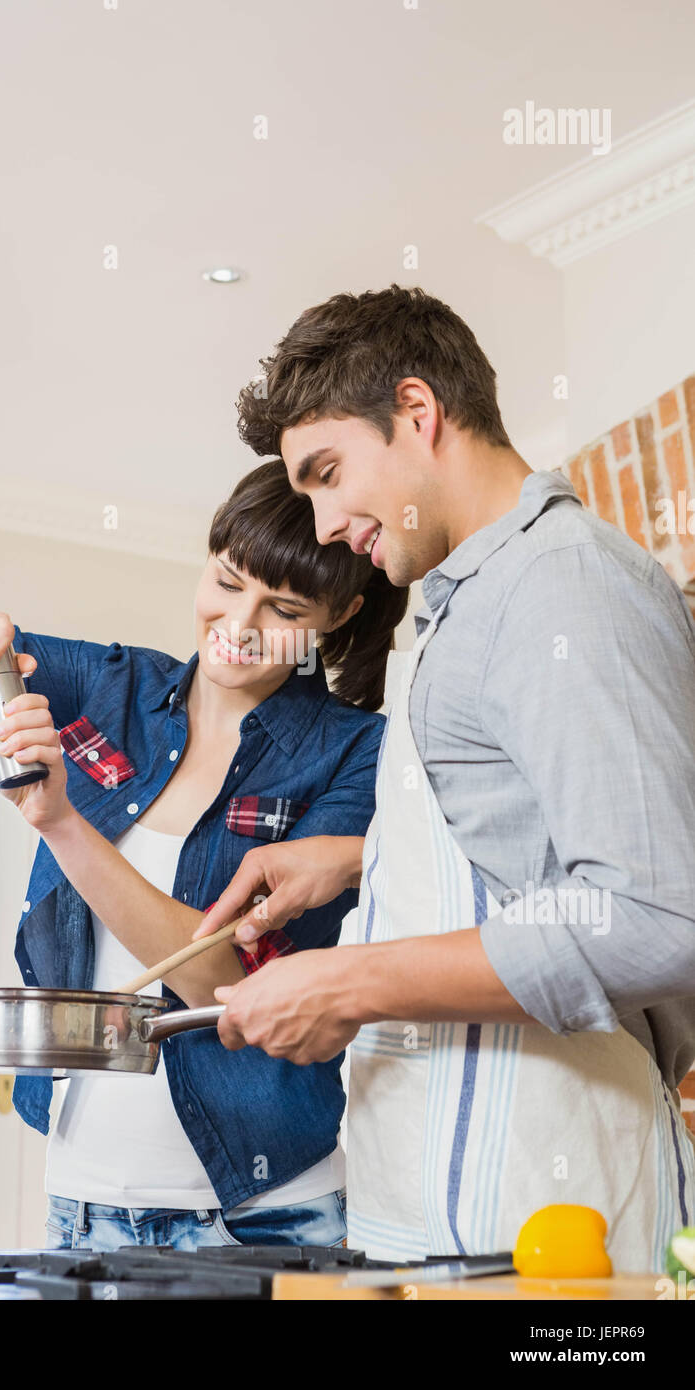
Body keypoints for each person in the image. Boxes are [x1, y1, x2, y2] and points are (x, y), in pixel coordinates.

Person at [194, 284, 695, 1271]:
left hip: (545, 1206)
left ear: (417, 414)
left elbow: (656, 915)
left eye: (327, 473)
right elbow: (518, 840)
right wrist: (351, 861)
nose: (326, 522)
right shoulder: (444, 601)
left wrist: (347, 981)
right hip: (425, 1203)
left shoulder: (566, 585)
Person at [0, 458, 409, 1250]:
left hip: (263, 1218)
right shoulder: (111, 688)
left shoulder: (354, 753)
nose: (237, 625)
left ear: (339, 613)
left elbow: (230, 980)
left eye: (283, 607)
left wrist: (63, 823)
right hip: (81, 1204)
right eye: (228, 580)